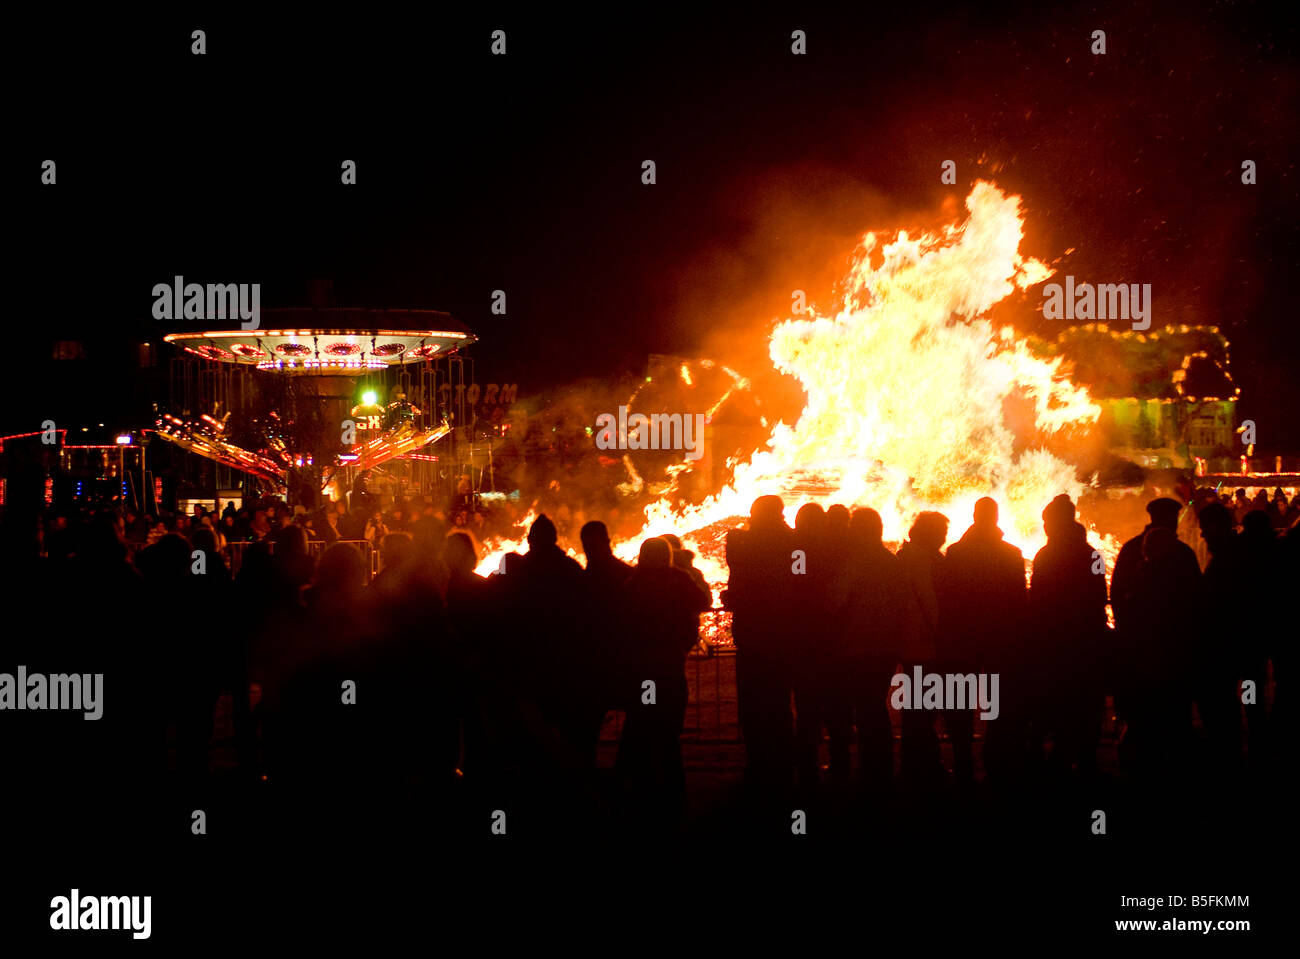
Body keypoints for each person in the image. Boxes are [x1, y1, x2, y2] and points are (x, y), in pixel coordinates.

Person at [616, 537, 710, 823]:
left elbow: (621, 622)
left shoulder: (632, 585)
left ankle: (640, 794)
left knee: (643, 726)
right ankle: (673, 798)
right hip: (669, 667)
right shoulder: (677, 581)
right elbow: (703, 601)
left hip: (645, 671)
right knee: (668, 735)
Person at [939, 497, 1028, 788]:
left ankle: (964, 764)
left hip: (962, 640)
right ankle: (996, 764)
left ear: (975, 516)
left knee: (960, 706)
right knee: (999, 705)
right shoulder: (1011, 554)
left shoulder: (955, 553)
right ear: (996, 517)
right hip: (1000, 640)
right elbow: (1018, 601)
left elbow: (947, 599)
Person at [1028, 494, 1108, 783]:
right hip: (1086, 643)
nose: (1045, 527)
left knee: (1058, 701)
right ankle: (1086, 761)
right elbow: (1100, 595)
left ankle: (1060, 760)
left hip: (1056, 645)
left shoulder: (1046, 556)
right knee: (1085, 705)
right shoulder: (1093, 555)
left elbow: (1037, 600)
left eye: (1047, 522)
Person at [723, 495, 795, 791]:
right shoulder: (793, 542)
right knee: (778, 701)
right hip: (782, 633)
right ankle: (784, 763)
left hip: (752, 634)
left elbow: (737, 572)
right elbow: (796, 577)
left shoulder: (742, 542)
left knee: (753, 702)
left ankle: (758, 762)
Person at [894, 511, 949, 787]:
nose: (944, 537)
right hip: (925, 643)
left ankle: (912, 763)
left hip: (907, 643)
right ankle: (925, 766)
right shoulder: (926, 561)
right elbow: (931, 602)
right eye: (941, 532)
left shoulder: (901, 558)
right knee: (925, 706)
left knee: (915, 706)